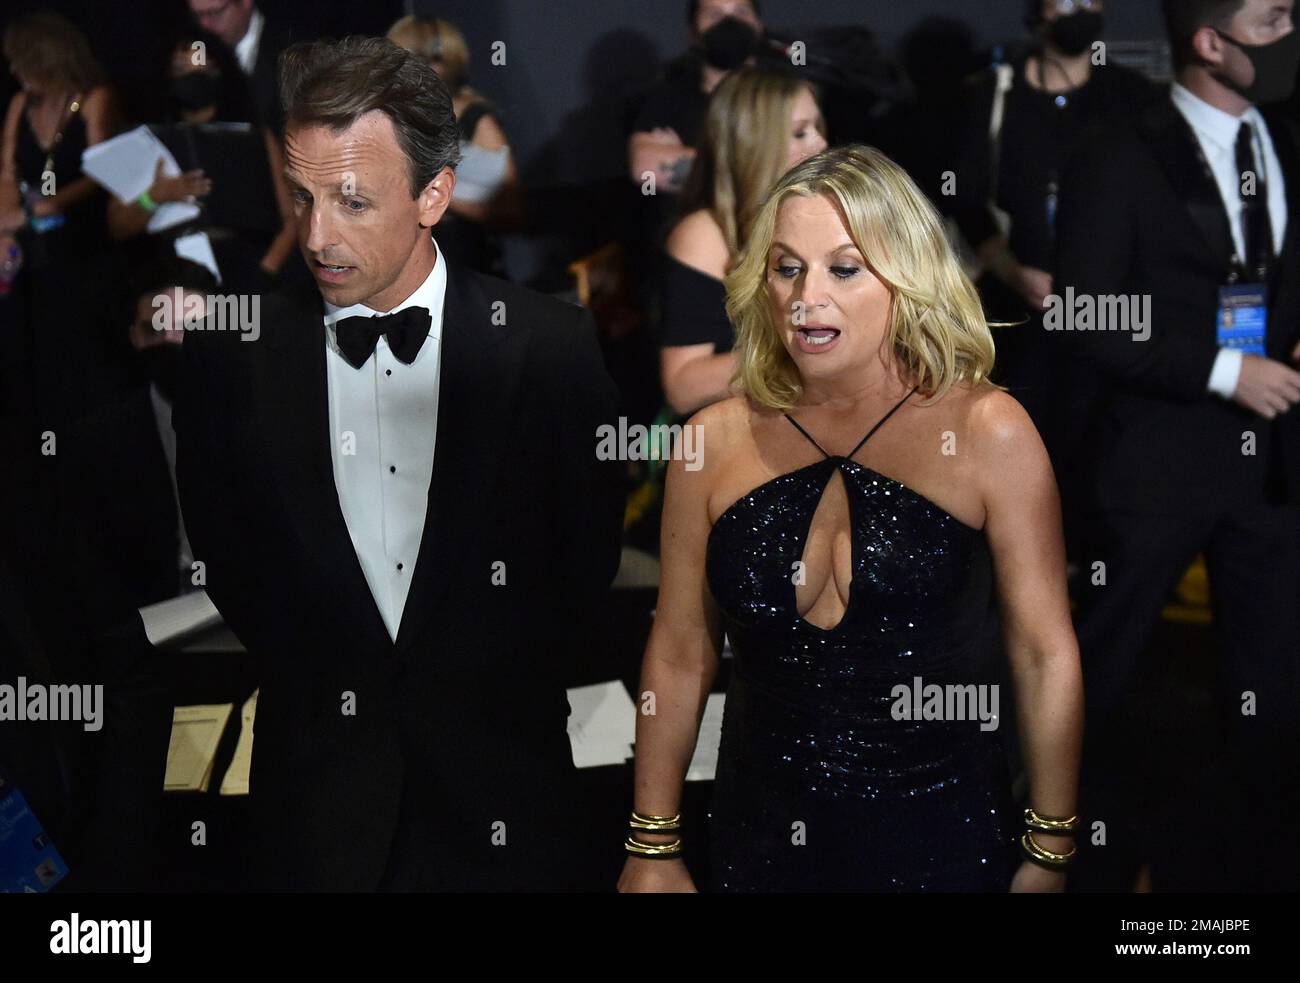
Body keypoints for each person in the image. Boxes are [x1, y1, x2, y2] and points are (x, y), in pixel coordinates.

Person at [173, 36, 625, 891]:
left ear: (434, 195)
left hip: (506, 803)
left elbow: (583, 561)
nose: (316, 235)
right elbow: (230, 557)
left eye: (351, 202)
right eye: (303, 197)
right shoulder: (238, 354)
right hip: (313, 815)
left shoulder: (545, 348)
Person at [619, 145, 1083, 892]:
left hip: (947, 839)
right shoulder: (709, 441)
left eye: (844, 267)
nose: (807, 297)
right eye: (786, 267)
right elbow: (678, 652)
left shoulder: (989, 431)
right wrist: (652, 845)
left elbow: (1043, 651)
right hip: (758, 840)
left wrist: (1050, 848)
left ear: (905, 276)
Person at [1055, 0, 1300, 890]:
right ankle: (1071, 862)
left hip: (1271, 468)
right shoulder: (1119, 150)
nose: (1289, 38)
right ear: (1210, 42)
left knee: (1270, 695)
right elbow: (1082, 315)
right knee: (1102, 682)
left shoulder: (1285, 136)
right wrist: (1221, 370)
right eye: (1273, 22)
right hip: (1150, 468)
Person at [949, 0, 1155, 510]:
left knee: (1104, 450)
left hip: (1112, 313)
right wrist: (1013, 271)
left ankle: (1089, 565)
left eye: (1091, 0)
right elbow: (965, 195)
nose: (1080, 9)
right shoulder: (995, 95)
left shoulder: (1132, 97)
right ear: (1037, 10)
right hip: (1020, 312)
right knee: (1021, 444)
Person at [660, 65, 827, 416]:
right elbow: (682, 385)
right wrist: (798, 351)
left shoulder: (816, 212)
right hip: (731, 435)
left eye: (817, 128)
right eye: (800, 133)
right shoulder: (704, 235)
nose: (820, 143)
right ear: (754, 143)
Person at [0, 10, 124, 432]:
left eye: (22, 61)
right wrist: (6, 225)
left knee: (81, 357)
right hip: (31, 246)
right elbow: (6, 173)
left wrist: (55, 205)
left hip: (83, 245)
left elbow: (101, 172)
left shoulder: (93, 98)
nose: (15, 72)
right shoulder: (20, 104)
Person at [104, 31, 297, 295]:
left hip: (245, 268)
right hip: (169, 273)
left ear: (222, 71)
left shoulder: (256, 138)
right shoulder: (146, 141)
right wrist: (155, 196)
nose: (193, 77)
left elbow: (291, 218)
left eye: (203, 66)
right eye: (182, 68)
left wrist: (264, 272)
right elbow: (117, 227)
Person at [387, 14, 519, 276]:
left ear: (440, 63)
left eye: (407, 60)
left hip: (468, 267)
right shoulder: (397, 117)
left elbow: (512, 212)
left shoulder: (477, 120)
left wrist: (438, 196)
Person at [187, 0, 293, 132]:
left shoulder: (290, 46)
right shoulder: (199, 47)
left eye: (215, 13)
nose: (205, 24)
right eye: (198, 15)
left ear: (245, 2)